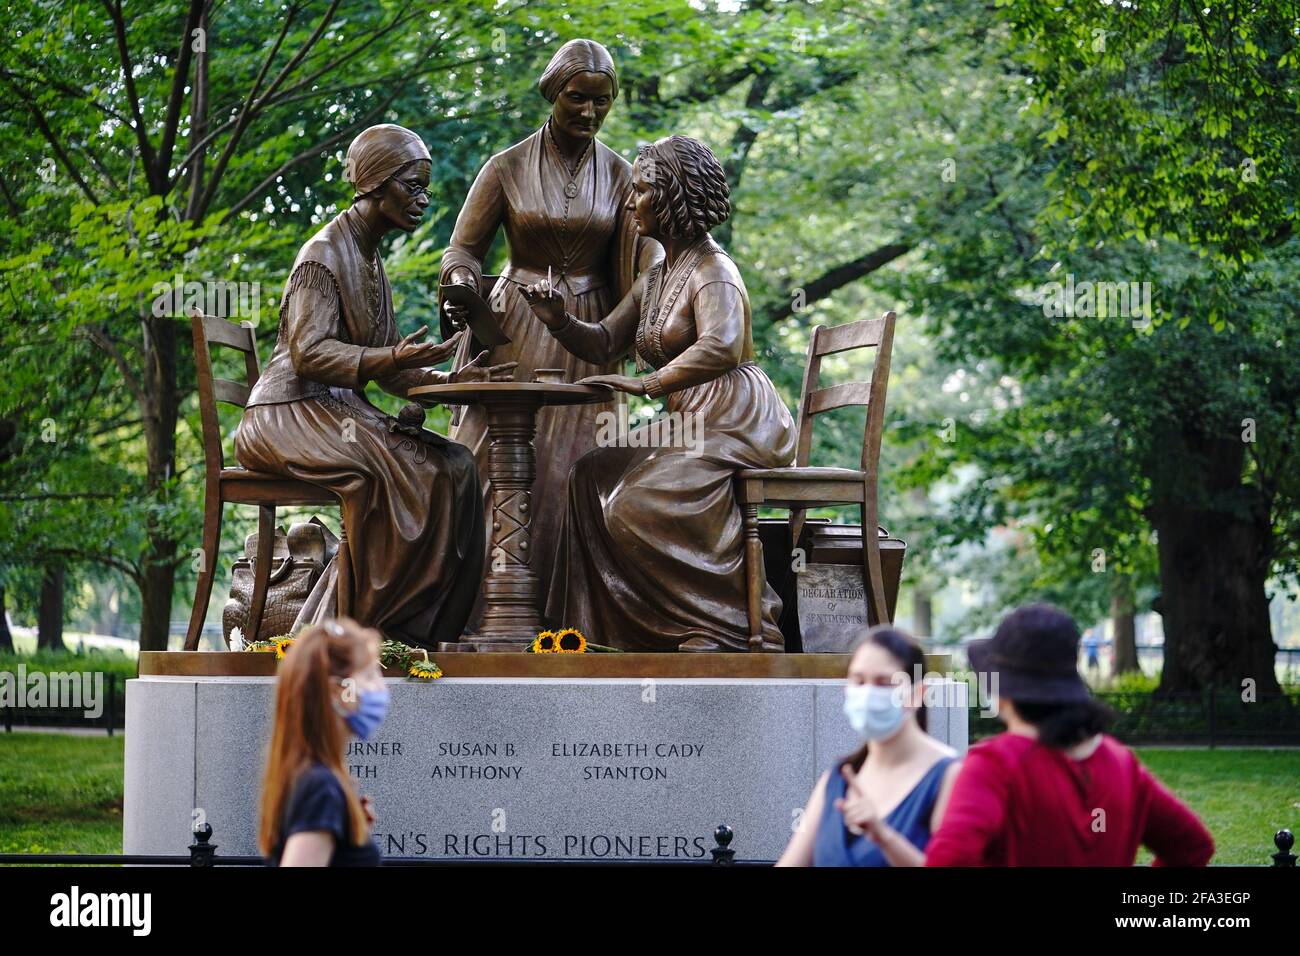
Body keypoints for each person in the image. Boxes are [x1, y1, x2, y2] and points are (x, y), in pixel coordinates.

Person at [235, 124, 515, 649]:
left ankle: (421, 628)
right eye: (412, 185)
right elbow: (309, 352)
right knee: (393, 474)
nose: (423, 199)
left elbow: (391, 372)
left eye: (424, 187)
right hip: (285, 413)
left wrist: (456, 379)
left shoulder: (369, 257)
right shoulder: (322, 255)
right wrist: (390, 356)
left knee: (455, 466)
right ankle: (362, 624)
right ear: (373, 184)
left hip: (334, 409)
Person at [519, 134, 796, 651]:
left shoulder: (715, 271)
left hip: (736, 418)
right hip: (690, 418)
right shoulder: (657, 275)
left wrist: (646, 384)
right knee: (588, 473)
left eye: (642, 191)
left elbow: (723, 346)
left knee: (634, 503)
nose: (630, 202)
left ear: (675, 198)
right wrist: (559, 320)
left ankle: (724, 625)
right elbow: (604, 342)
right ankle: (600, 633)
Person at [439, 39, 662, 620]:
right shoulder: (505, 167)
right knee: (481, 459)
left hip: (587, 333)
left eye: (602, 102)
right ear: (552, 93)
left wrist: (618, 321)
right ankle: (475, 609)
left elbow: (651, 267)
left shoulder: (621, 175)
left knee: (570, 466)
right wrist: (461, 280)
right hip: (511, 323)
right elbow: (462, 248)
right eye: (577, 98)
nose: (589, 112)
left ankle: (560, 617)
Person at [926, 603, 1215, 866]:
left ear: (1002, 690)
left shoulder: (995, 764)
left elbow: (949, 861)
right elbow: (1192, 846)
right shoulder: (1121, 763)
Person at [777, 626, 960, 866]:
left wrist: (885, 838)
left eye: (883, 682)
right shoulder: (838, 778)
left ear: (917, 694)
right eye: (858, 680)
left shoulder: (949, 776)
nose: (867, 693)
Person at [258, 619, 387, 866]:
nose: (380, 688)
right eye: (370, 676)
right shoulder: (320, 786)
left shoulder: (316, 778)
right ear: (340, 691)